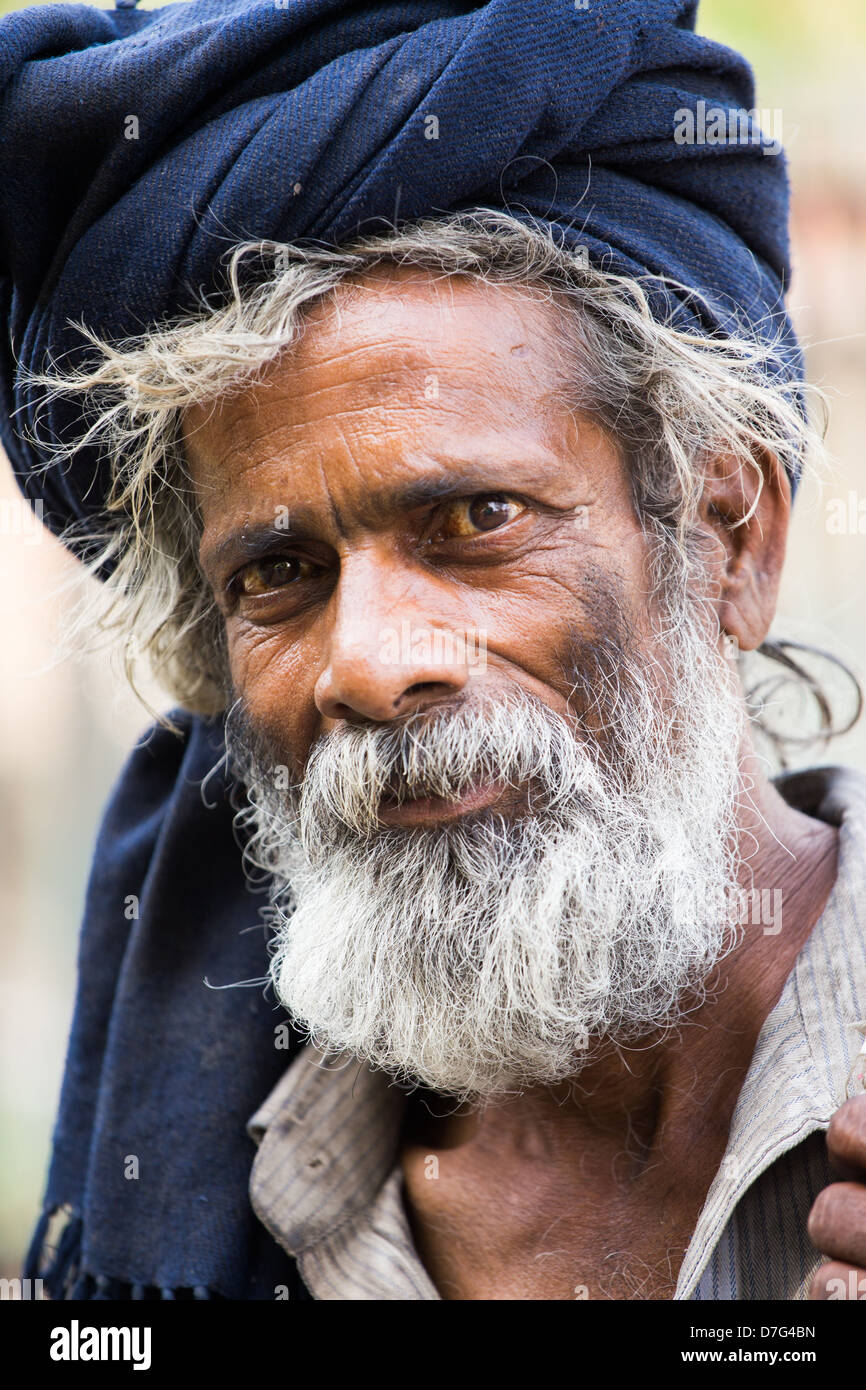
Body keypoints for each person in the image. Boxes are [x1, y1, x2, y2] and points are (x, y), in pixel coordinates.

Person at [2, 0, 864, 1301]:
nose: (369, 662)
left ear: (726, 539)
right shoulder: (225, 1198)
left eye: (475, 520)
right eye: (277, 574)